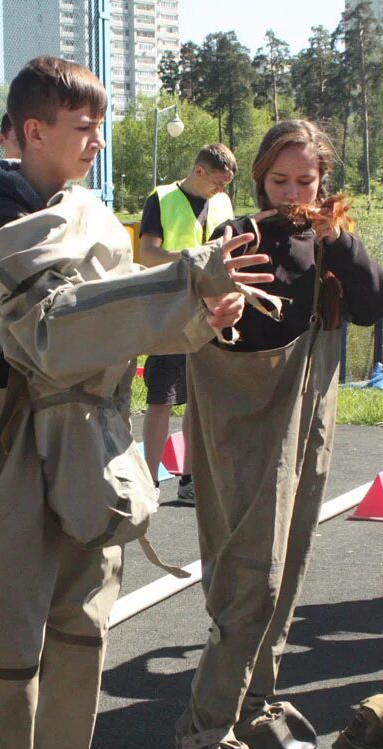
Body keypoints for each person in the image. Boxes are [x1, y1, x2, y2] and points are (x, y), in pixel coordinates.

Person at [0, 56, 271, 749]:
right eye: (82, 129)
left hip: (89, 446)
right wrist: (184, 285)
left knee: (80, 631)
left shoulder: (76, 207)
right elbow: (54, 326)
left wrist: (199, 307)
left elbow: (118, 310)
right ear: (30, 132)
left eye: (99, 127)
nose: (95, 143)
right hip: (15, 450)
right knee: (8, 648)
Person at [175, 120, 383, 749]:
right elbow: (192, 312)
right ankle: (205, 731)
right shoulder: (235, 236)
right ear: (259, 179)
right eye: (280, 181)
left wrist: (338, 240)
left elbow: (375, 304)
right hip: (245, 427)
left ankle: (256, 701)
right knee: (251, 579)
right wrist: (216, 302)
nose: (295, 194)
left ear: (323, 180)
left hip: (308, 420)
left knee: (290, 565)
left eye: (307, 181)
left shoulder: (330, 241)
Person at [138, 143, 237, 502]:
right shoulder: (162, 199)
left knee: (200, 400)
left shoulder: (223, 204)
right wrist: (190, 261)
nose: (221, 191)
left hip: (211, 311)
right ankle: (148, 481)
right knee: (162, 397)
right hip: (171, 311)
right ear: (198, 171)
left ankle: (190, 480)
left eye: (225, 184)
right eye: (217, 182)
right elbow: (147, 254)